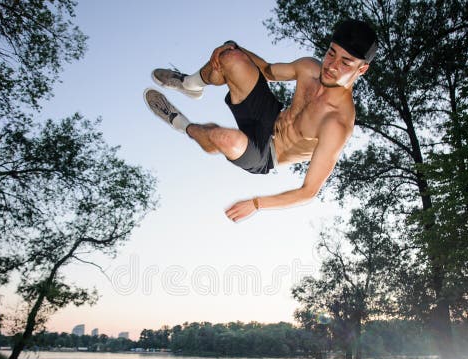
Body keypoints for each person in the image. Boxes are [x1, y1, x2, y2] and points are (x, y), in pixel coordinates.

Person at [144, 19, 378, 222]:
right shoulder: (309, 68)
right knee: (230, 57)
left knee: (223, 138)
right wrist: (235, 47)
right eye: (331, 53)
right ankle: (190, 84)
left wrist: (256, 204)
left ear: (362, 69)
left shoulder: (337, 123)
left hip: (266, 153)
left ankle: (180, 122)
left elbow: (308, 191)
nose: (332, 66)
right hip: (269, 115)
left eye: (345, 63)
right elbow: (267, 70)